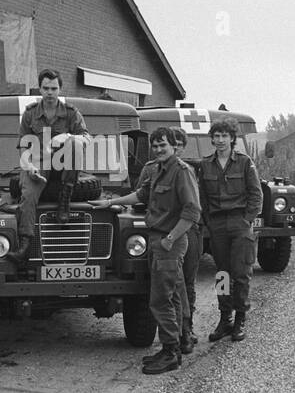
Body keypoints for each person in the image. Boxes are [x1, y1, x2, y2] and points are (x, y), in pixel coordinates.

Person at [91, 127, 201, 374]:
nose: (159, 149)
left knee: (160, 299)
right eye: (156, 146)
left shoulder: (182, 172)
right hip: (157, 240)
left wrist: (170, 239)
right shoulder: (160, 170)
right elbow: (141, 194)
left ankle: (171, 352)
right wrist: (109, 202)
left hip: (168, 242)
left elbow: (192, 212)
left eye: (164, 145)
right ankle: (171, 346)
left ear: (174, 146)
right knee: (171, 296)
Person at [11, 69, 90, 263]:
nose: (49, 93)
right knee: (28, 195)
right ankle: (25, 244)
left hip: (64, 166)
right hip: (38, 163)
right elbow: (23, 144)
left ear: (60, 89)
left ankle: (65, 200)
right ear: (39, 88)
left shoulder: (71, 113)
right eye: (45, 88)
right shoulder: (30, 114)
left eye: (53, 88)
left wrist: (69, 136)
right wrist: (28, 166)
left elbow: (87, 138)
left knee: (77, 143)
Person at [197, 119, 262, 343]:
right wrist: (208, 220)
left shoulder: (244, 162)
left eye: (224, 136)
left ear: (232, 138)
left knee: (241, 273)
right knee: (222, 274)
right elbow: (202, 197)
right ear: (212, 139)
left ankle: (241, 318)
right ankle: (226, 318)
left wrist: (247, 221)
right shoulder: (205, 165)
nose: (220, 140)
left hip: (239, 223)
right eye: (216, 136)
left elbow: (256, 194)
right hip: (217, 225)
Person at [170, 127, 202, 354]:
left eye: (180, 143)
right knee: (170, 283)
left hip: (190, 231)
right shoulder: (151, 169)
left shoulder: (194, 170)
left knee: (188, 282)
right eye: (173, 143)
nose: (177, 147)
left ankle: (186, 329)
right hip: (165, 231)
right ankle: (172, 331)